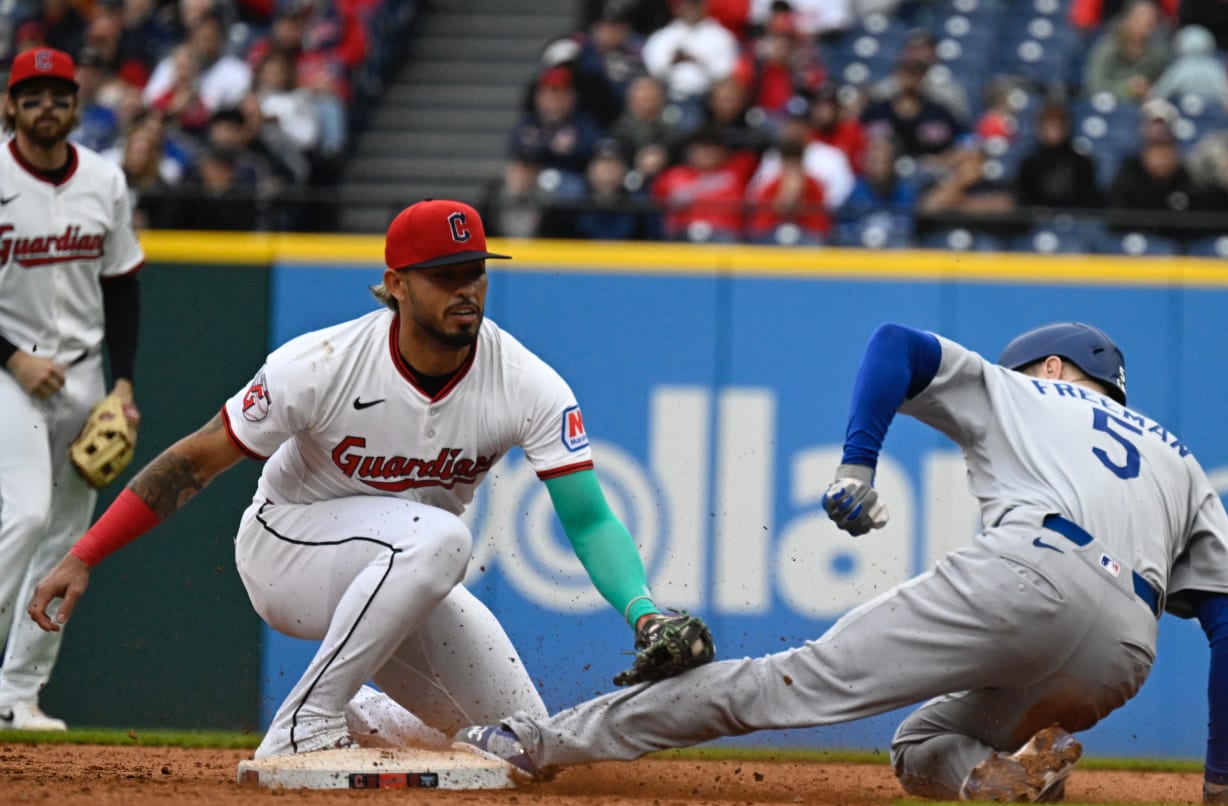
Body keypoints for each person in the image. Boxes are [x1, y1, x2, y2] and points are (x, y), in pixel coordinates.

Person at [455, 320, 1228, 806]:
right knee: (923, 744)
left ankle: (539, 743)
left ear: (1058, 369)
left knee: (781, 682)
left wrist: (857, 465)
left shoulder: (1030, 390)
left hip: (1029, 574)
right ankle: (996, 780)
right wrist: (1220, 785)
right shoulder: (1183, 464)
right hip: (1124, 654)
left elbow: (896, 345)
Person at [27, 199, 712, 758]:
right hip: (287, 551)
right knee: (441, 539)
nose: (466, 290)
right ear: (396, 284)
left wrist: (644, 611)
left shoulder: (527, 383)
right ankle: (304, 723)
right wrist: (84, 554)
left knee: (527, 744)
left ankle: (360, 716)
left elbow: (588, 518)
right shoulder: (320, 364)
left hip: (400, 577)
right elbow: (194, 461)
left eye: (475, 272)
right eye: (444, 275)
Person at [0, 48, 145, 731]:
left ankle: (18, 695)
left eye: (58, 95)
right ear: (11, 106)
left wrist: (124, 383)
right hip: (9, 373)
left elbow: (122, 286)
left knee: (68, 541)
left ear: (75, 105)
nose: (45, 107)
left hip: (85, 375)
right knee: (26, 514)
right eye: (31, 96)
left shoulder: (105, 180)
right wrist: (13, 358)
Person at [1082, 0, 1170, 103]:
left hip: (1143, 105)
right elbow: (1094, 85)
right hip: (1110, 104)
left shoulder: (1158, 52)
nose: (1148, 21)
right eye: (1141, 17)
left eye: (1153, 18)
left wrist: (1149, 90)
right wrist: (1126, 88)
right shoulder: (1109, 47)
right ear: (1128, 19)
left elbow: (1164, 84)